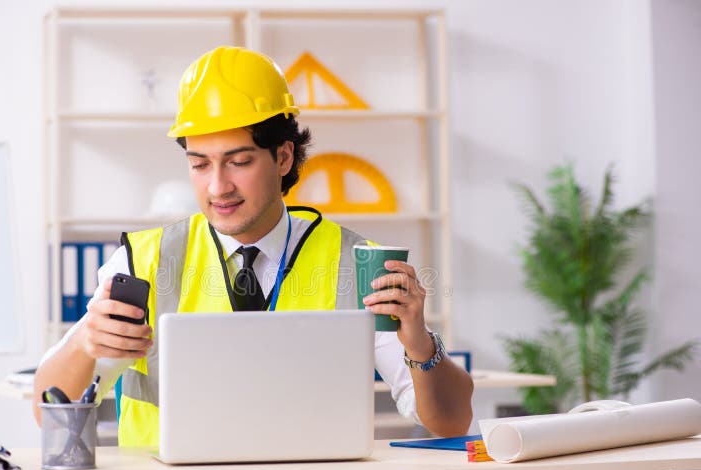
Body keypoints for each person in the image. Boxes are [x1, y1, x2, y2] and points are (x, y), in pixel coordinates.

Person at [34, 46, 473, 445]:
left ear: (283, 157)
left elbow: (449, 424)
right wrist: (84, 345)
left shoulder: (358, 265)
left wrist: (419, 342)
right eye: (199, 164)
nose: (217, 186)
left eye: (239, 161)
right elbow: (46, 409)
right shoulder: (141, 262)